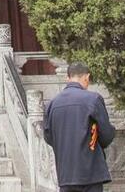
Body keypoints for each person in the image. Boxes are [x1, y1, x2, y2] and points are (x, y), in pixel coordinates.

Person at [43, 61, 116, 192]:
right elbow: (106, 135)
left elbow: (48, 137)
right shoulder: (93, 99)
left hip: (65, 173)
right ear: (86, 77)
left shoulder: (52, 104)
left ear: (67, 78)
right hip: (90, 172)